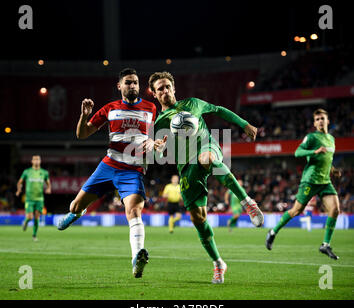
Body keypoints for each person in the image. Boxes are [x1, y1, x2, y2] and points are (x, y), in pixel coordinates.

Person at [145, 71, 264, 284]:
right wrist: (160, 149)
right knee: (198, 218)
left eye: (167, 86)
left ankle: (248, 202)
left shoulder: (193, 104)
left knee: (207, 157)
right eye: (159, 89)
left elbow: (218, 110)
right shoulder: (159, 122)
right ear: (154, 94)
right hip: (187, 167)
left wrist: (243, 123)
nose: (164, 91)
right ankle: (218, 263)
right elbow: (158, 154)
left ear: (173, 88)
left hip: (208, 148)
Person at [57, 68, 158, 278]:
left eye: (136, 82)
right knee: (75, 205)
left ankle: (137, 258)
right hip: (109, 165)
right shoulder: (110, 108)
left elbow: (156, 135)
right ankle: (76, 213)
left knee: (134, 212)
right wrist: (83, 116)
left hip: (132, 171)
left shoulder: (151, 108)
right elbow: (82, 134)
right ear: (119, 86)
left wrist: (152, 141)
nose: (133, 86)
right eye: (128, 82)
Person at [265, 108, 341, 260]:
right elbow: (297, 153)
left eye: (322, 118)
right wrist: (313, 152)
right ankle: (273, 232)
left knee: (335, 210)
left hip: (325, 181)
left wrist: (333, 170)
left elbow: (327, 159)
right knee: (296, 211)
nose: (320, 121)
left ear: (328, 121)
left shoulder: (331, 139)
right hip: (310, 181)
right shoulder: (311, 137)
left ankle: (325, 245)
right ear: (314, 123)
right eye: (317, 119)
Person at [16, 155, 51, 241]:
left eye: (38, 159)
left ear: (40, 161)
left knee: (36, 217)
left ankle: (34, 235)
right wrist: (19, 190)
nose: (36, 161)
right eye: (34, 159)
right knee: (30, 217)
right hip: (29, 199)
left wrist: (49, 188)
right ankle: (25, 222)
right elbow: (20, 182)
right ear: (32, 161)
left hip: (39, 199)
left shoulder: (44, 172)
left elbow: (48, 182)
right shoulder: (27, 172)